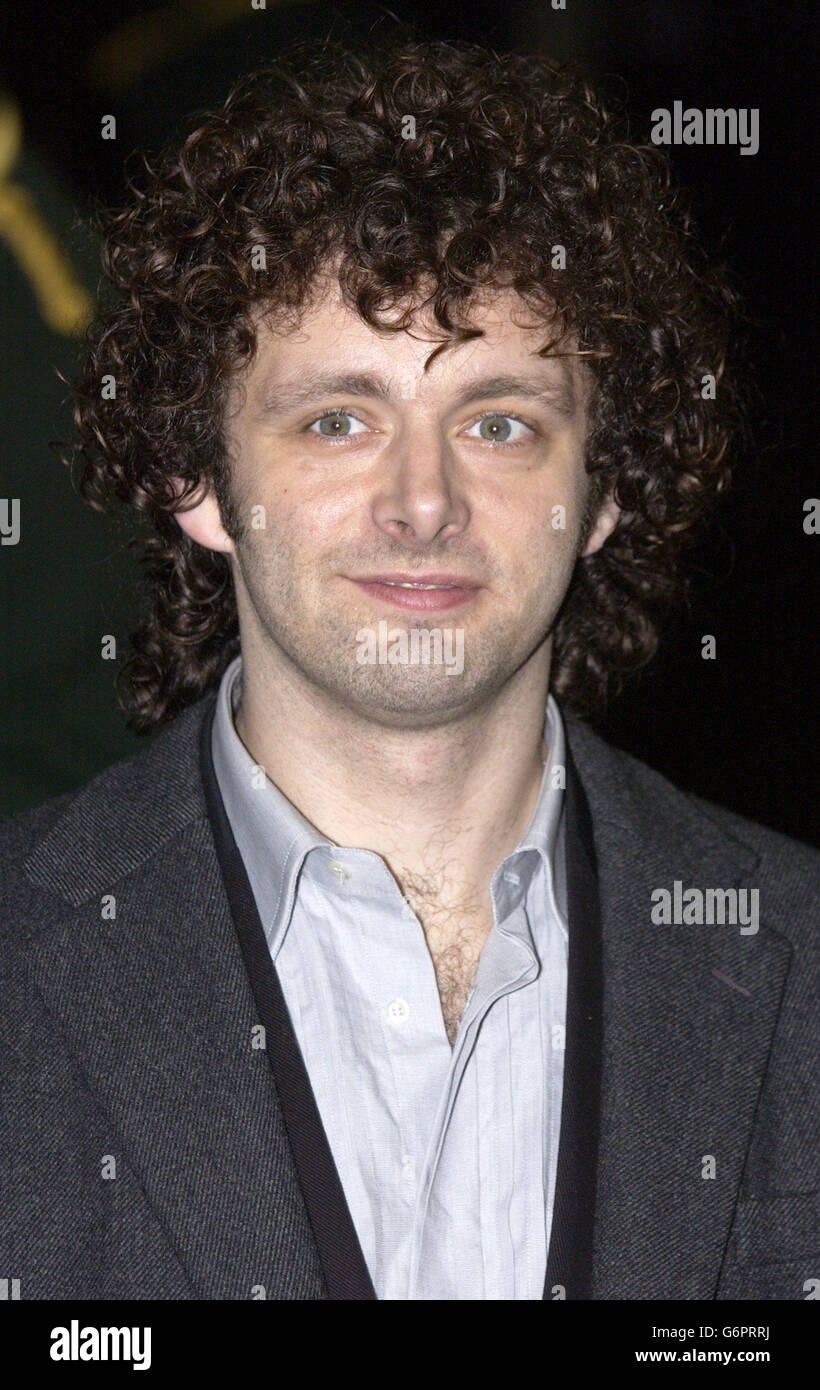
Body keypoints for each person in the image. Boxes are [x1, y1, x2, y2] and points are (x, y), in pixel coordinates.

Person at [1, 35, 817, 1302]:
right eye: (339, 419)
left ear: (602, 491)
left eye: (498, 423)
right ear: (197, 481)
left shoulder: (796, 954)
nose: (422, 502)